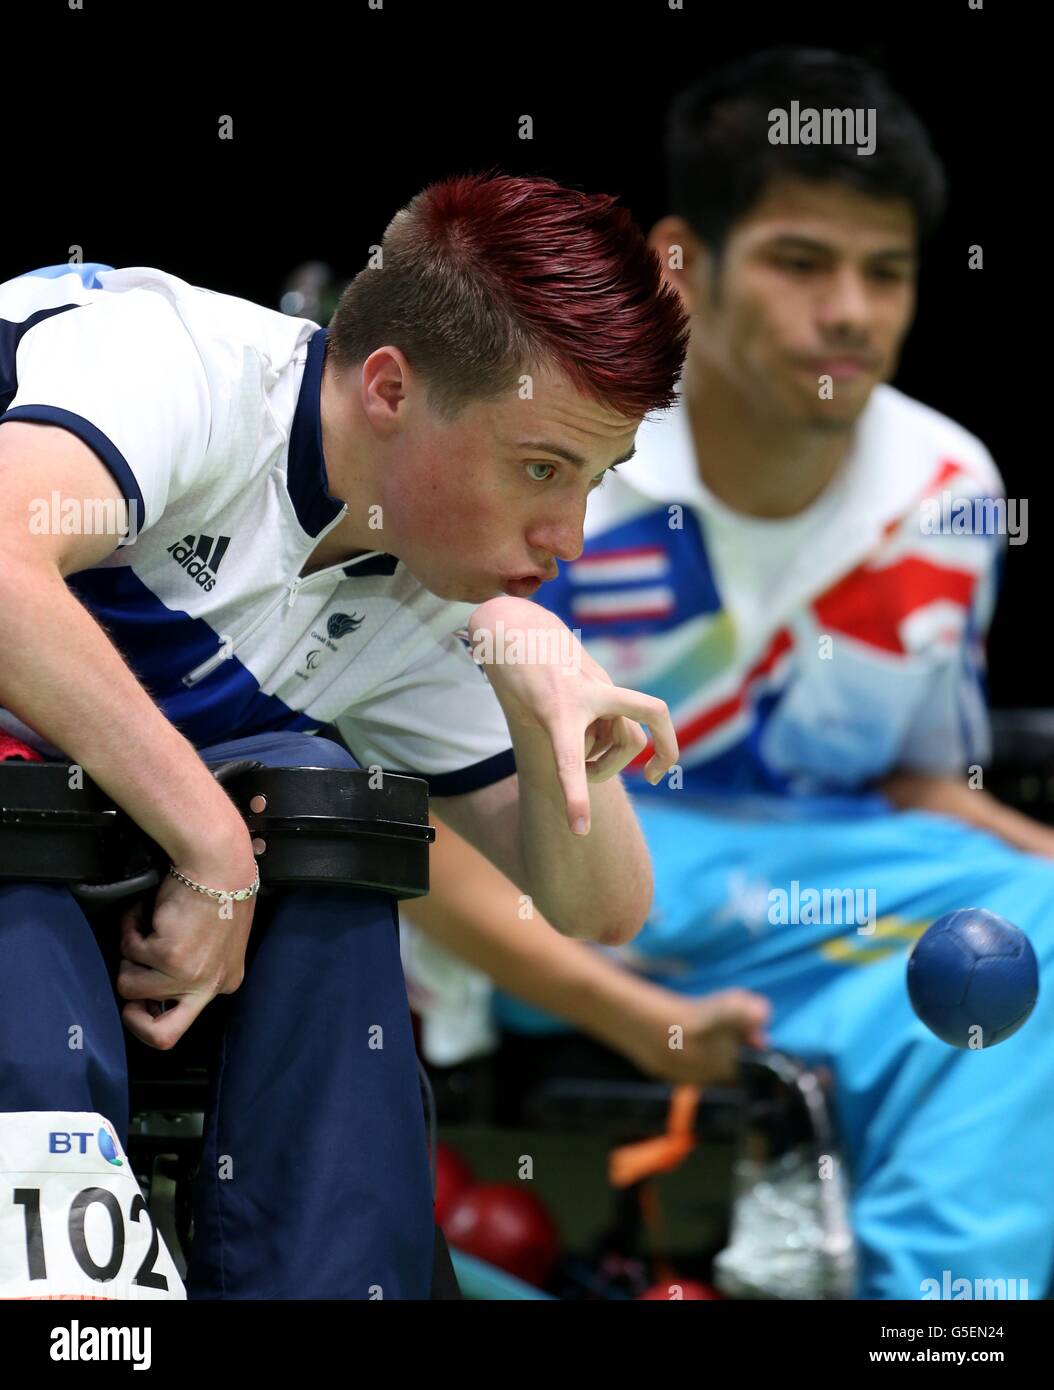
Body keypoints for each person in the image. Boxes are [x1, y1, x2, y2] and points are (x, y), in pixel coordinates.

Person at [400, 50, 1054, 1300]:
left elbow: (920, 787)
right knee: (993, 935)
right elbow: (409, 813)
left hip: (832, 885)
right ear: (680, 269)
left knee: (1014, 920)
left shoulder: (948, 492)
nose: (850, 312)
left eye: (887, 271)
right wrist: (617, 1007)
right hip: (556, 879)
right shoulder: (556, 459)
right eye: (801, 263)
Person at [0, 171, 688, 1299]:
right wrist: (217, 850)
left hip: (71, 860)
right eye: (539, 469)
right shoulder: (175, 364)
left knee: (322, 795)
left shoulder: (420, 597)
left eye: (595, 479)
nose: (568, 534)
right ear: (389, 388)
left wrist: (537, 678)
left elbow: (597, 904)